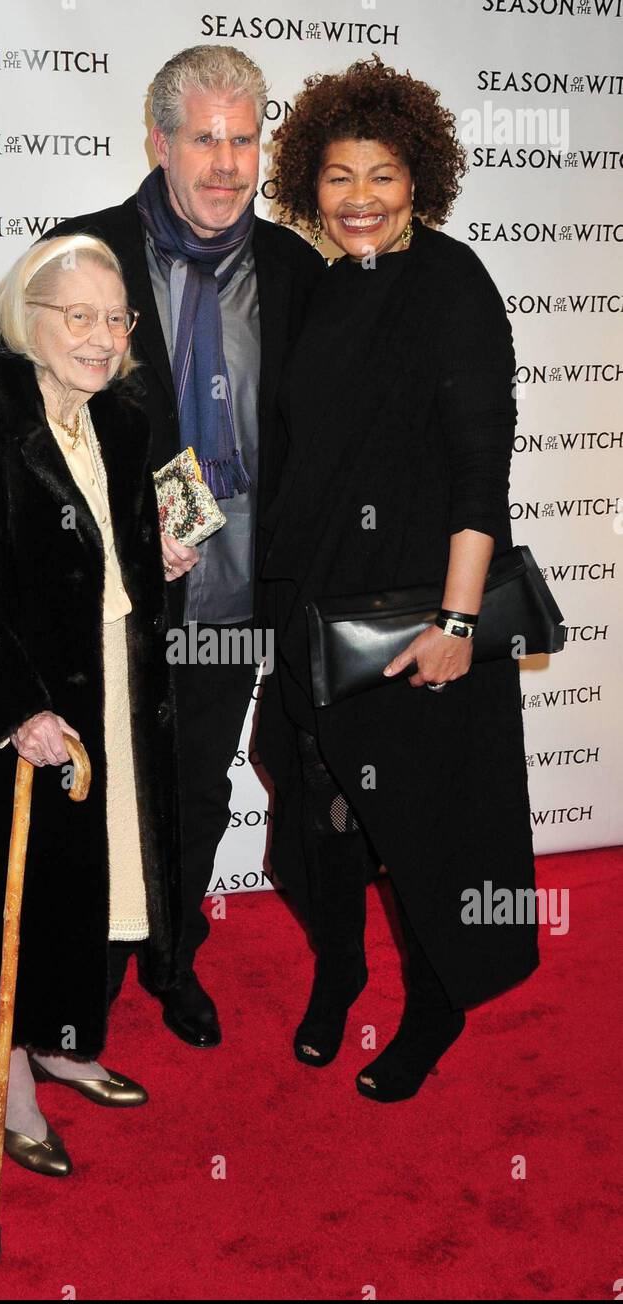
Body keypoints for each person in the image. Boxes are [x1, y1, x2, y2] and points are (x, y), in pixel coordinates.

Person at [0, 45, 325, 1047]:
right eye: (204, 138)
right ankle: (88, 970)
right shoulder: (87, 251)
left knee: (195, 783)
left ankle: (173, 958)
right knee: (102, 781)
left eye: (243, 139)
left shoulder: (290, 269)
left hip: (235, 586)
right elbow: (4, 394)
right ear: (159, 140)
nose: (227, 163)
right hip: (110, 587)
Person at [255, 57, 539, 1101]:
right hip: (310, 606)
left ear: (419, 177)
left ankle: (434, 1002)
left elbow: (479, 470)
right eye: (337, 176)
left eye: (381, 174)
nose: (360, 198)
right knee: (322, 809)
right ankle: (339, 973)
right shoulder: (318, 291)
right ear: (309, 185)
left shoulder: (452, 282)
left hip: (416, 611)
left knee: (422, 823)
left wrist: (459, 618)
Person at [0, 234, 181, 1175]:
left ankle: (59, 1041)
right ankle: (6, 1079)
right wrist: (12, 709)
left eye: (115, 319)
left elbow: (116, 558)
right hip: (5, 716)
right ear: (25, 321)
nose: (99, 338)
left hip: (111, 698)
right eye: (75, 318)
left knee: (86, 884)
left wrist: (160, 560)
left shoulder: (125, 419)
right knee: (6, 903)